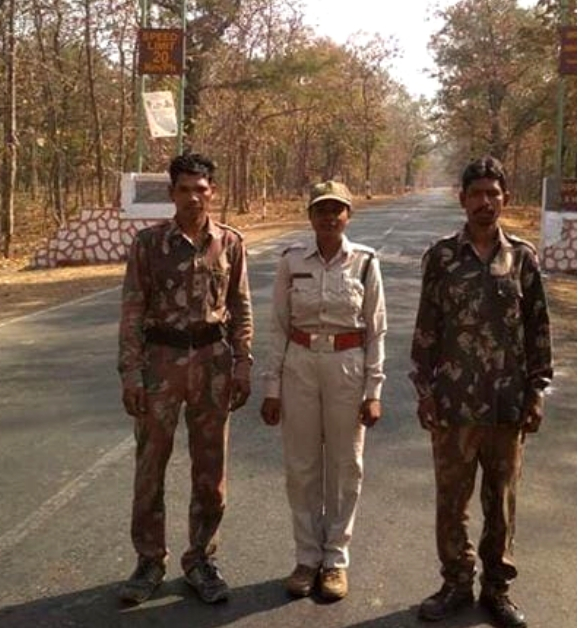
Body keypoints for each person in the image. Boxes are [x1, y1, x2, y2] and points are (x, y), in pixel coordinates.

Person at [410, 156, 552, 628]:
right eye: (477, 194)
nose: (485, 202)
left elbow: (538, 333)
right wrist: (424, 390)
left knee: (502, 502)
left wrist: (537, 392)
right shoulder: (443, 257)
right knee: (452, 501)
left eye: (493, 193)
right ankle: (455, 582)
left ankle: (497, 588)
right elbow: (426, 329)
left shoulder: (523, 259)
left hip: (506, 406)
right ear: (463, 199)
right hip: (453, 404)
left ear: (505, 199)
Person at [117, 152, 253, 605]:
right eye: (184, 189)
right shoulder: (149, 244)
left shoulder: (230, 243)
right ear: (171, 193)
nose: (194, 197)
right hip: (161, 362)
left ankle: (201, 560)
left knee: (210, 472)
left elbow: (241, 309)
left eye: (202, 188)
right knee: (150, 467)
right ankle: (149, 561)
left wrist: (243, 364)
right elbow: (133, 310)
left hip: (213, 363)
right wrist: (131, 373)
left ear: (212, 191)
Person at [260, 180, 386, 601]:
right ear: (309, 215)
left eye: (337, 210)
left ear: (349, 215)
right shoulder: (292, 262)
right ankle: (306, 557)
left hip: (347, 368)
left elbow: (377, 330)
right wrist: (272, 386)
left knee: (346, 465)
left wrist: (374, 390)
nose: (330, 217)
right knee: (301, 466)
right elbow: (278, 325)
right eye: (321, 210)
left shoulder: (365, 263)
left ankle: (335, 560)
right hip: (299, 366)